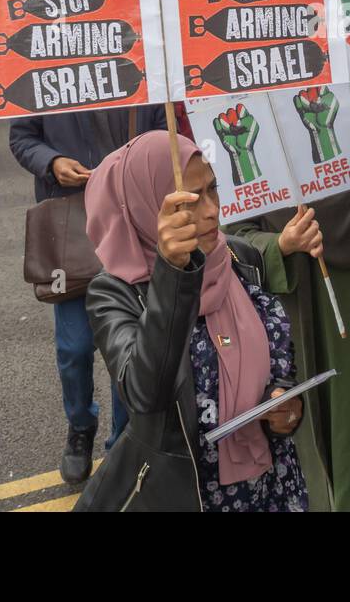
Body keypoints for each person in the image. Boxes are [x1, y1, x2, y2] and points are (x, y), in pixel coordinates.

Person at [76, 132, 308, 511]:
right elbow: (146, 394)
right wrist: (172, 274)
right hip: (189, 495)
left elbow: (274, 360)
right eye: (190, 200)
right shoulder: (114, 292)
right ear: (147, 206)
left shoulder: (237, 256)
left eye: (212, 189)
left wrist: (283, 404)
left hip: (268, 486)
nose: (212, 210)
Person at [8, 103, 167, 484]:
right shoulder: (41, 76)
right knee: (74, 349)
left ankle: (125, 441)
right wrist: (52, 162)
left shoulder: (142, 76)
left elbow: (166, 134)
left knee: (130, 344)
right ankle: (80, 426)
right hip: (71, 230)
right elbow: (22, 137)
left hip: (132, 223)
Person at [227, 180, 350, 511]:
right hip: (300, 318)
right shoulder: (252, 161)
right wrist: (281, 244)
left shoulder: (349, 149)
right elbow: (235, 240)